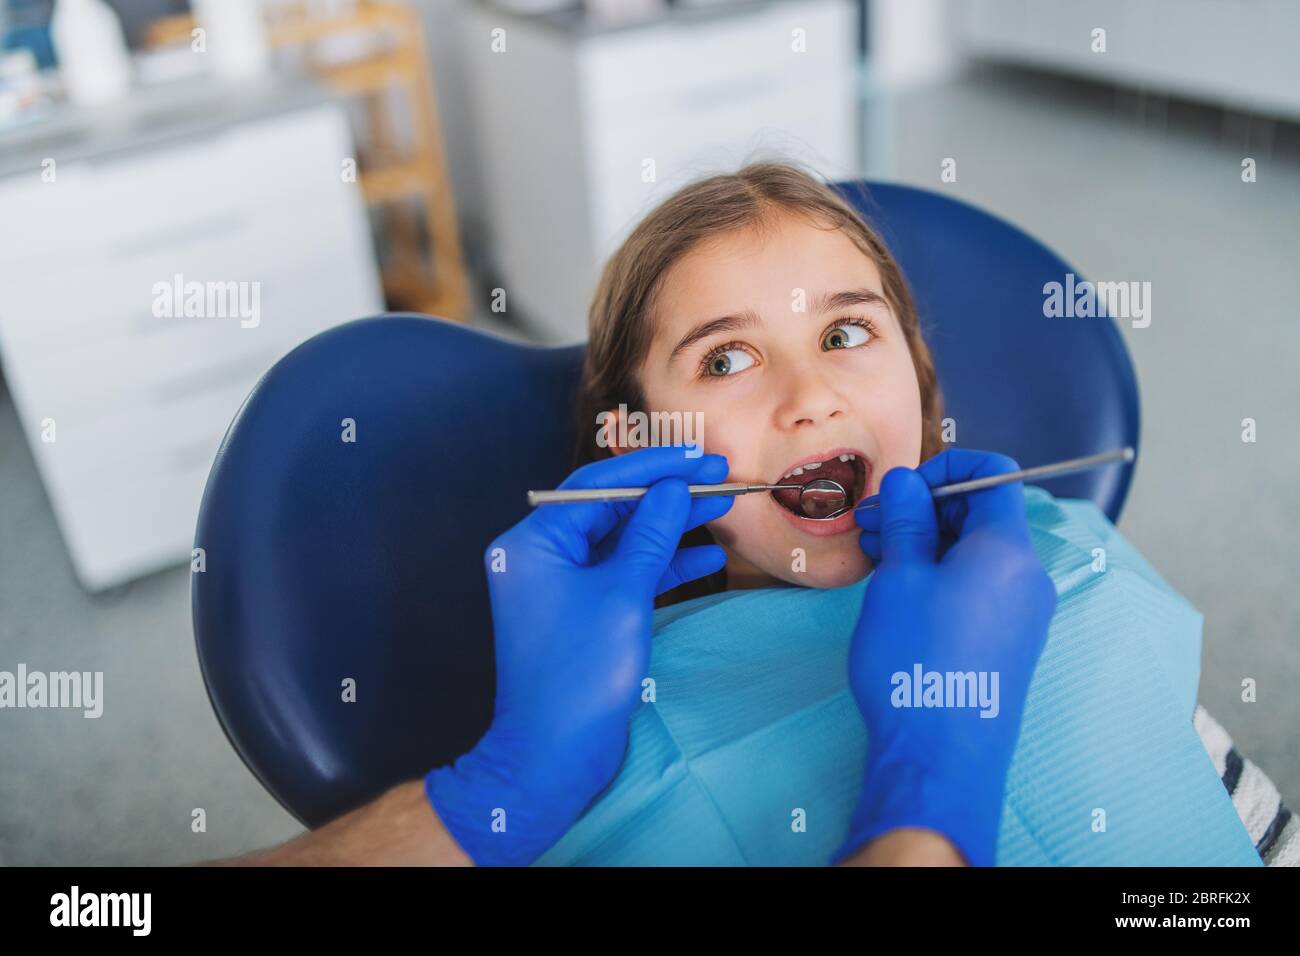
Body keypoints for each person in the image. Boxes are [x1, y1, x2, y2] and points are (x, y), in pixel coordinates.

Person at [215, 446, 1055, 866]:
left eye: (844, 336)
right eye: (728, 356)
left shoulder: (1059, 538)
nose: (809, 399)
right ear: (633, 448)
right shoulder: (643, 725)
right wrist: (493, 796)